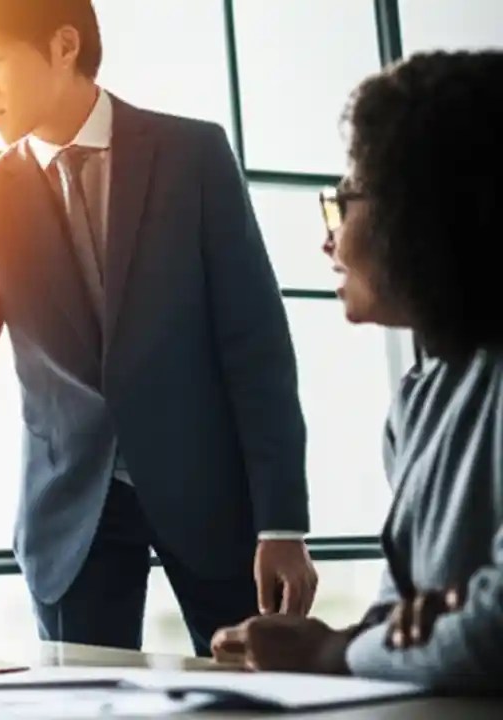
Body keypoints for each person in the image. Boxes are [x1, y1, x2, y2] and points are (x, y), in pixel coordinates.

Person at [0, 0, 317, 656]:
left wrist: (283, 523)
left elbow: (258, 346)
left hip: (210, 499)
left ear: (64, 45)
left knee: (261, 691)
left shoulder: (193, 156)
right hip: (73, 512)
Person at [211, 50, 503, 693]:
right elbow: (403, 625)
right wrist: (358, 638)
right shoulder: (419, 402)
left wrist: (332, 653)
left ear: (424, 209)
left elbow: (487, 630)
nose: (329, 240)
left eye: (343, 201)